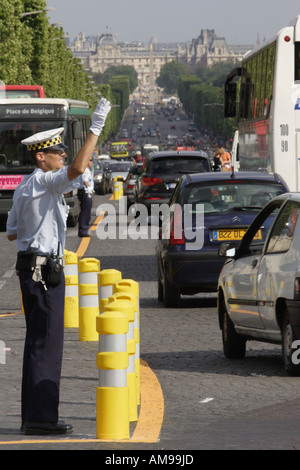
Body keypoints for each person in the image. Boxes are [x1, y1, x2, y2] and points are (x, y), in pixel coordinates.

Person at [6, 98, 111, 436]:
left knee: (38, 343)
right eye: (57, 151)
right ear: (41, 156)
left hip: (31, 270)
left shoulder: (27, 187)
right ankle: (41, 418)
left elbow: (10, 233)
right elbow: (77, 169)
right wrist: (94, 129)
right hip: (43, 273)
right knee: (48, 344)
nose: (63, 155)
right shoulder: (41, 182)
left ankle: (33, 414)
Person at [77, 158, 94, 237]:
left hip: (86, 191)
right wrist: (88, 188)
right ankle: (83, 230)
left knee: (87, 210)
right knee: (85, 211)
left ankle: (84, 229)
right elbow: (85, 180)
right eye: (90, 160)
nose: (91, 162)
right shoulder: (85, 170)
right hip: (85, 191)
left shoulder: (87, 170)